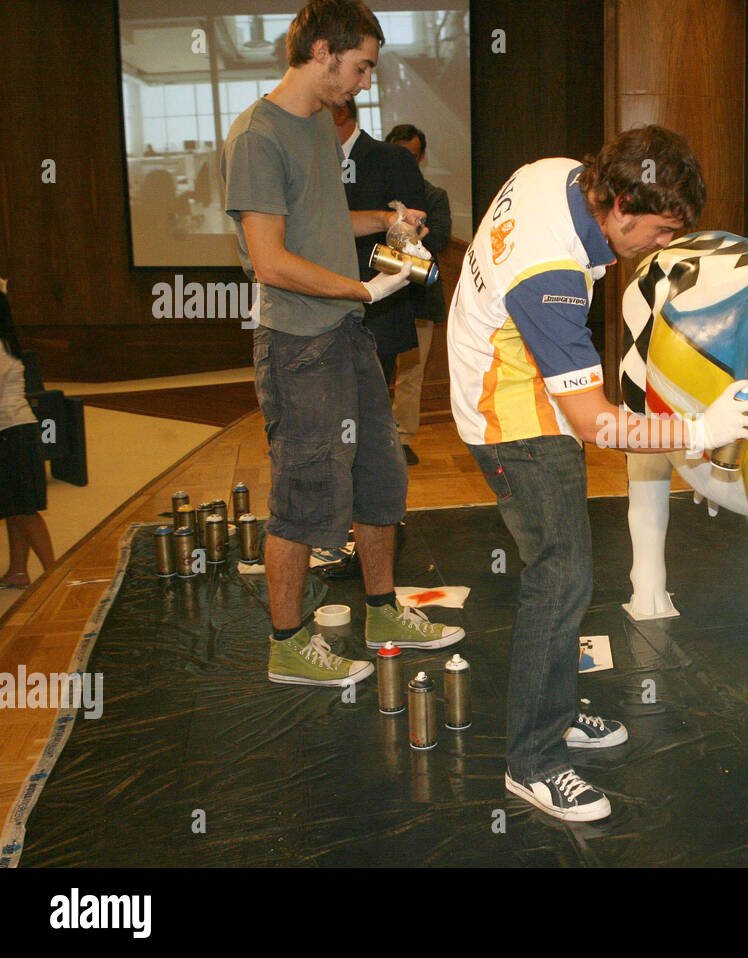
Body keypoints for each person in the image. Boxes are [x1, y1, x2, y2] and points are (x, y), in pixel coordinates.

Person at [447, 125, 748, 821]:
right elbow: (597, 425)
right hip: (509, 413)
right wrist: (698, 432)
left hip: (503, 365)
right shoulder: (552, 274)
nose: (662, 246)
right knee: (562, 576)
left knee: (560, 572)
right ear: (618, 205)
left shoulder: (559, 171)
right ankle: (532, 763)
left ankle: (553, 710)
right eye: (657, 230)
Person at [220, 0, 463, 689]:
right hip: (298, 344)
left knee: (381, 475)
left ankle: (382, 610)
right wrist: (361, 291)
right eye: (360, 67)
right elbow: (269, 260)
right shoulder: (258, 136)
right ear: (322, 51)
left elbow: (324, 219)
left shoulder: (319, 128)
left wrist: (387, 219)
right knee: (305, 493)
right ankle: (288, 643)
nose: (364, 82)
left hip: (345, 335)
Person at [329, 99, 426, 385]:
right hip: (321, 308)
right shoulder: (312, 162)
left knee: (370, 412)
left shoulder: (391, 158)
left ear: (340, 112)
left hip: (376, 314)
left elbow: (412, 239)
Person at [385, 123, 452, 466]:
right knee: (376, 370)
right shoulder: (376, 194)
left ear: (421, 156)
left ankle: (402, 438)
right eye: (398, 154)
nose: (405, 161)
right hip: (379, 297)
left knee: (412, 374)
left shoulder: (434, 195)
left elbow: (440, 240)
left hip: (419, 299)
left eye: (411, 155)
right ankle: (374, 437)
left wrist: (416, 230)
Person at [0, 286, 55, 590]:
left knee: (23, 510)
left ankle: (54, 575)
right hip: (16, 432)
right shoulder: (7, 343)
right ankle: (18, 570)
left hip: (11, 434)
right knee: (14, 506)